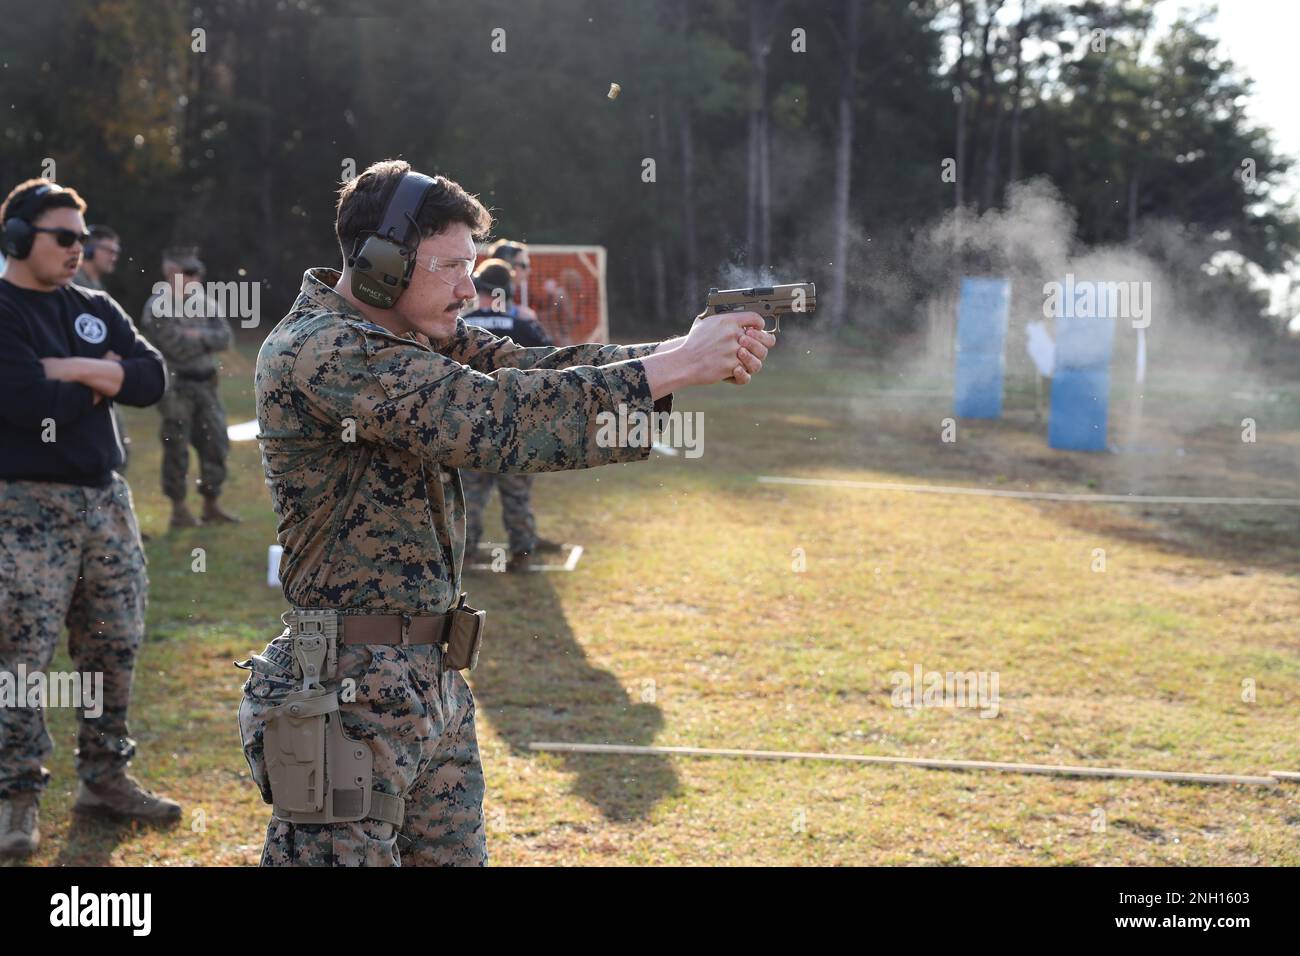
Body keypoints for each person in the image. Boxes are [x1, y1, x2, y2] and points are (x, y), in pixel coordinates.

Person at [238, 158, 773, 866]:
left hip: (427, 678)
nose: (469, 287)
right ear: (381, 263)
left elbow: (534, 372)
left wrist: (687, 350)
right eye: (451, 266)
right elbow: (493, 417)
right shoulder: (322, 349)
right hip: (348, 695)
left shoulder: (412, 335)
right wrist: (677, 366)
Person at [0, 179, 182, 859]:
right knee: (23, 654)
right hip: (23, 506)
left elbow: (152, 379)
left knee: (115, 642)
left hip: (105, 503)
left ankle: (105, 777)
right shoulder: (3, 309)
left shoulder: (96, 306)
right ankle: (17, 796)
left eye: (84, 235)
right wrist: (102, 379)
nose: (79, 248)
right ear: (19, 239)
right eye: (64, 236)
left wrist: (71, 369)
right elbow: (22, 403)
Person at [460, 258, 563, 571]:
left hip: (473, 424)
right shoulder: (524, 325)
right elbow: (552, 365)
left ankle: (465, 555)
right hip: (517, 424)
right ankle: (522, 555)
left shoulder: (461, 324)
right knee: (516, 494)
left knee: (470, 497)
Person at [140, 247, 239, 529]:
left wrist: (196, 335)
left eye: (199, 272)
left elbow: (226, 338)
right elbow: (175, 346)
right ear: (171, 273)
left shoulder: (205, 303)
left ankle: (211, 504)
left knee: (217, 443)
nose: (197, 277)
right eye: (190, 272)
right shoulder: (157, 305)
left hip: (207, 385)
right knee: (177, 448)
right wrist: (204, 339)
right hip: (176, 388)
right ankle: (179, 510)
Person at [73, 226, 135, 476]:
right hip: (84, 383)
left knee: (118, 452)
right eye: (108, 250)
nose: (114, 256)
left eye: (116, 251)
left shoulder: (95, 285)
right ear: (88, 250)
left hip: (103, 378)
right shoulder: (74, 284)